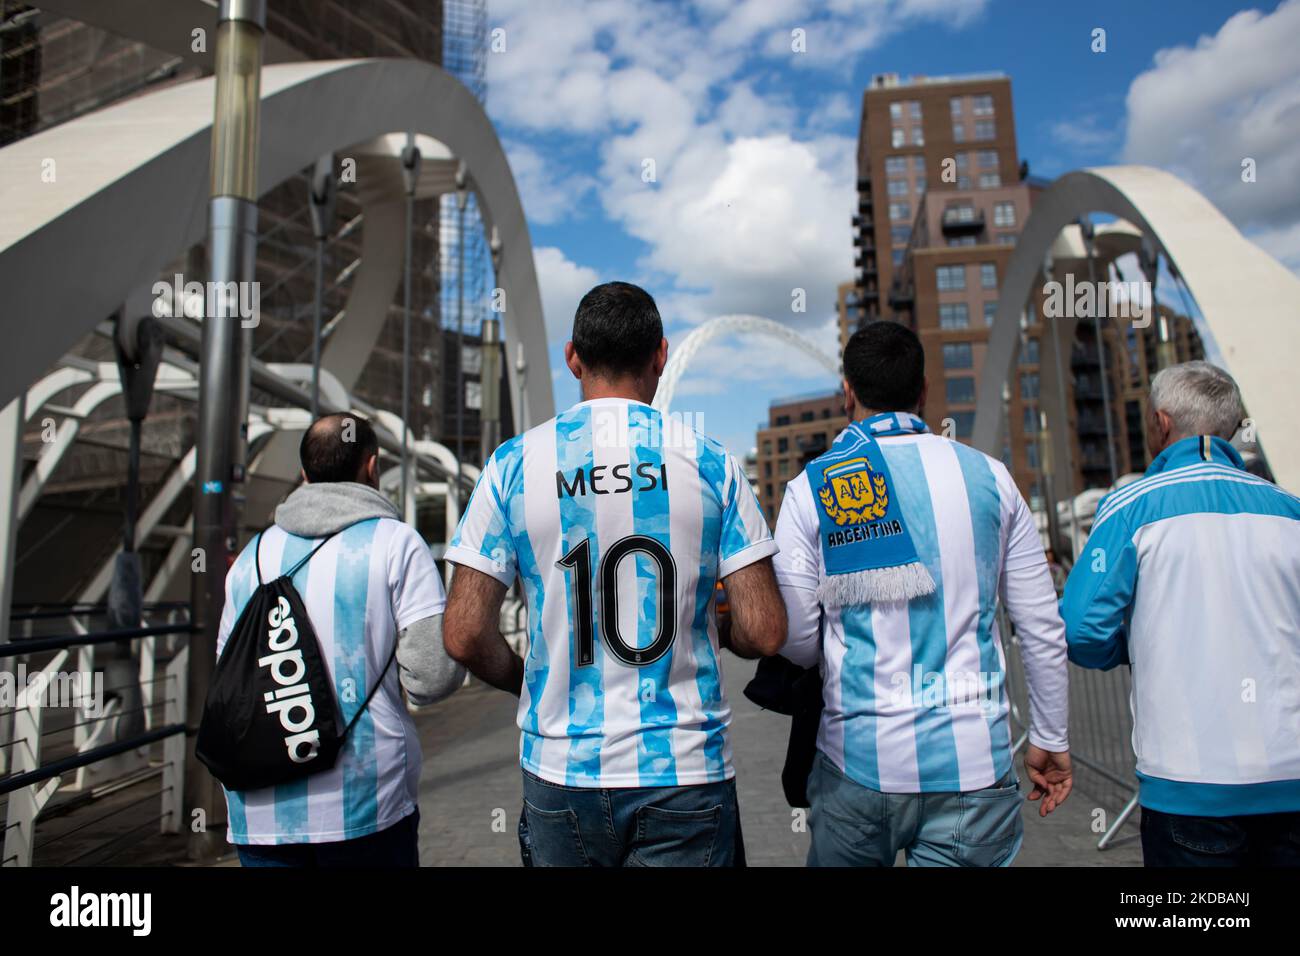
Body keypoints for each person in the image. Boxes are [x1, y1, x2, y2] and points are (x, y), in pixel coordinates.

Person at [443, 281, 787, 867]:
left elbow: (463, 633)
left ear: (573, 356)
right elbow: (766, 630)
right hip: (683, 770)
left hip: (560, 769)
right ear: (660, 355)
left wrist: (524, 679)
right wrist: (713, 629)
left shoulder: (512, 465)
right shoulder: (710, 462)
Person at [773, 321, 1072, 867]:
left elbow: (796, 640)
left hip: (858, 763)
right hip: (974, 769)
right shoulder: (992, 477)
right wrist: (1050, 736)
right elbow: (1040, 625)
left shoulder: (812, 486)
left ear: (848, 394)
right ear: (925, 392)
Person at [1061, 361, 1300, 866]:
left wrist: (1139, 646)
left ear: (1162, 423)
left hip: (1189, 784)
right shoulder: (1288, 509)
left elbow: (1081, 630)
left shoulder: (1131, 506)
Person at [217, 413, 464, 866]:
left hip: (260, 810)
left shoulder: (250, 557)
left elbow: (228, 676)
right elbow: (432, 678)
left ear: (305, 474)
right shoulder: (396, 544)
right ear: (371, 468)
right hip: (366, 803)